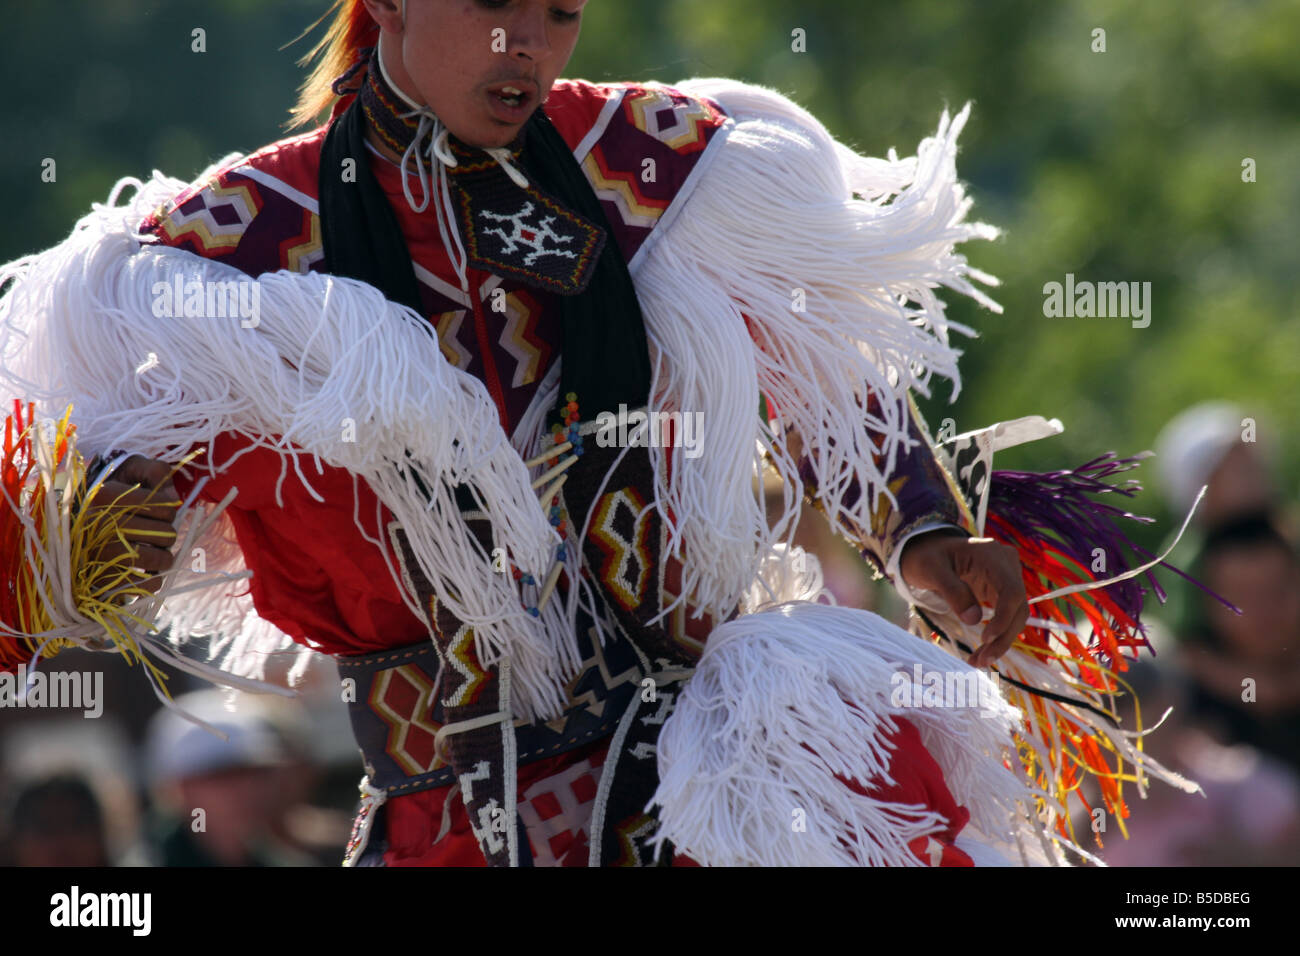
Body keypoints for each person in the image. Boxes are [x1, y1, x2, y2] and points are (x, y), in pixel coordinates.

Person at [1, 0, 1191, 866]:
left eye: (559, 12)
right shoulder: (235, 243)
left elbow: (818, 363)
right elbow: (106, 489)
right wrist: (94, 529)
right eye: (495, 8)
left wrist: (922, 526)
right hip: (450, 806)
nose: (527, 44)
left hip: (716, 775)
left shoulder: (655, 167)